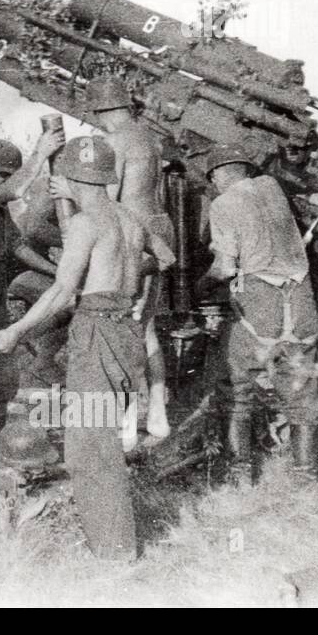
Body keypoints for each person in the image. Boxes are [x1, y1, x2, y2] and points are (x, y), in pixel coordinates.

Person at [0, 136, 174, 561]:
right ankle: (117, 541)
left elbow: (61, 291)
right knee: (103, 436)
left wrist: (15, 332)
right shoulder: (129, 218)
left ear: (71, 178)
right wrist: (136, 292)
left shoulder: (86, 224)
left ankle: (115, 553)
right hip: (126, 332)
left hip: (96, 332)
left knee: (89, 446)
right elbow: (165, 259)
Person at [196, 145, 318, 482]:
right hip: (301, 299)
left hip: (261, 302)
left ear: (217, 175)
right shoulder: (272, 188)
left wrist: (200, 285)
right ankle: (305, 477)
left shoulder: (222, 203)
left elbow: (224, 268)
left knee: (235, 385)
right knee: (300, 387)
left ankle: (240, 476)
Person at [0, 132, 62, 462]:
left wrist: (58, 273)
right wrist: (41, 152)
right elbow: (15, 190)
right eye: (2, 176)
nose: (4, 184)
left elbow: (17, 246)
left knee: (4, 383)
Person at [86, 75, 174, 439]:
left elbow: (107, 201)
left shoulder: (113, 142)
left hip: (134, 235)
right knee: (147, 326)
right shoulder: (148, 137)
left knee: (122, 324)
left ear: (101, 110)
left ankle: (127, 419)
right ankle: (157, 411)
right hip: (159, 230)